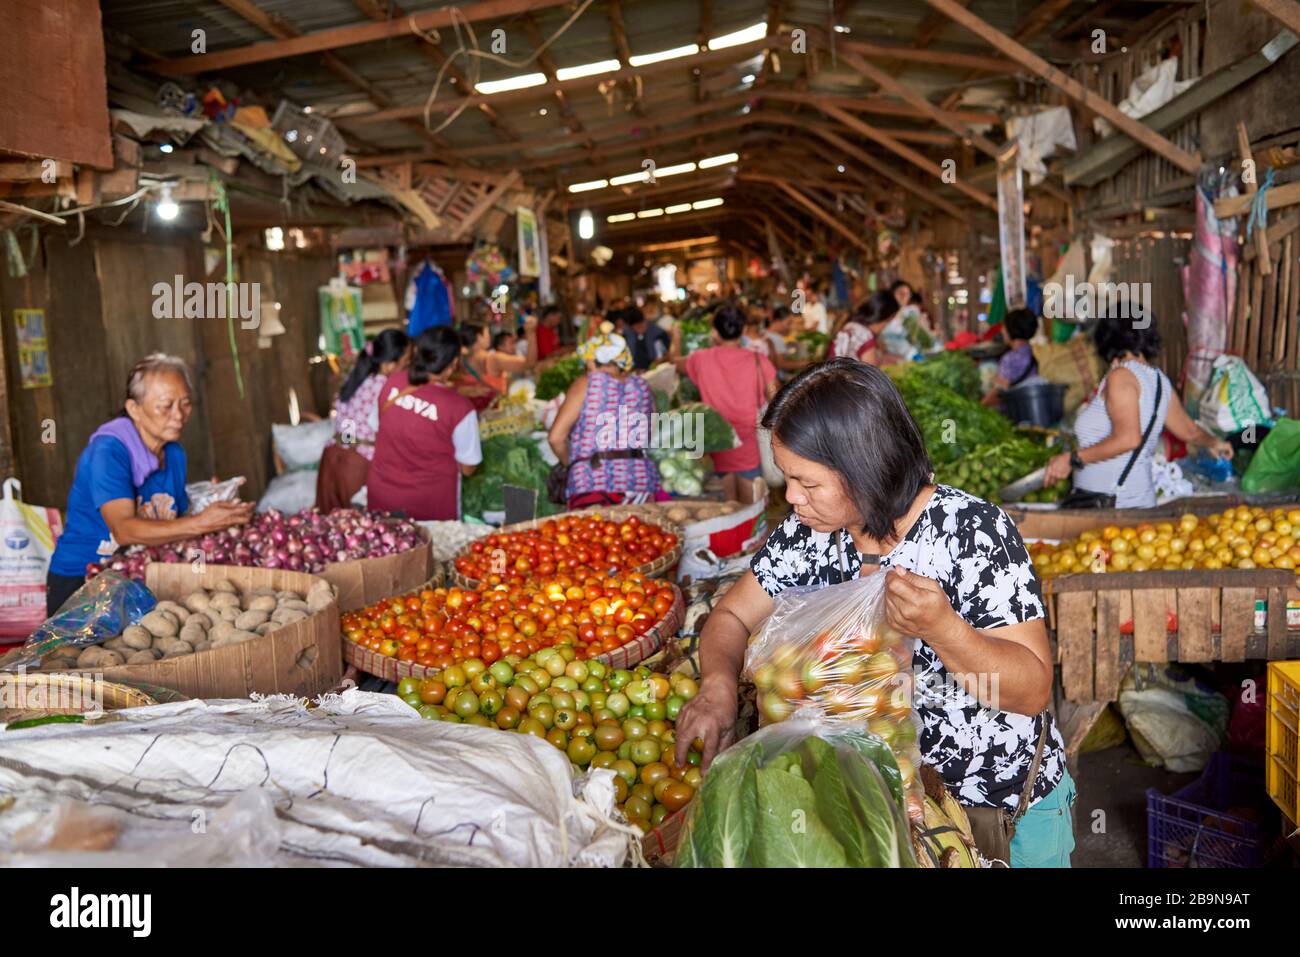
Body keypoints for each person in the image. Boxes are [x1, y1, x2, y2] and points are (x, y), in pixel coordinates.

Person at [675, 358, 1075, 867]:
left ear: (861, 466)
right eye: (787, 479)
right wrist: (717, 689)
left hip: (994, 813)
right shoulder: (806, 537)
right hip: (863, 816)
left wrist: (943, 628)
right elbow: (730, 618)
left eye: (806, 482)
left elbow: (1032, 690)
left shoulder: (972, 533)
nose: (791, 496)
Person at [47, 355, 254, 615]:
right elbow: (124, 530)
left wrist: (208, 501)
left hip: (138, 575)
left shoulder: (174, 453)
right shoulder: (108, 452)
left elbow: (171, 517)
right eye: (165, 406)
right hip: (83, 580)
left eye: (186, 403)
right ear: (134, 409)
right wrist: (203, 521)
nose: (178, 415)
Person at [1044, 315, 1232, 508]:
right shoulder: (1159, 381)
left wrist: (1073, 459)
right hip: (1135, 501)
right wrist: (1215, 442)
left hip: (1112, 507)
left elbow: (1129, 439)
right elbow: (1189, 431)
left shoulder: (1121, 376)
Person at [367, 326, 482, 520]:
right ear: (453, 363)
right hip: (429, 507)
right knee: (428, 551)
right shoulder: (460, 408)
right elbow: (468, 467)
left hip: (383, 498)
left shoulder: (392, 382)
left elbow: (376, 430)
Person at [671, 303, 779, 504]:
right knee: (752, 515)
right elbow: (777, 400)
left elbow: (674, 362)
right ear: (744, 330)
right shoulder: (759, 360)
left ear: (714, 332)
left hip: (716, 448)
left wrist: (676, 337)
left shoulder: (700, 359)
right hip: (749, 447)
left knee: (726, 515)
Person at [547, 322, 660, 509]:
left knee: (599, 537)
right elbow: (649, 431)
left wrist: (573, 464)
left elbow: (555, 438)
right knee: (638, 536)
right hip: (640, 485)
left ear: (593, 359)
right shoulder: (642, 386)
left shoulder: (586, 384)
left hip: (594, 484)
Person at [316, 329, 410, 511]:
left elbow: (347, 424)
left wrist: (349, 445)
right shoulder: (386, 388)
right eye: (405, 362)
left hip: (333, 455)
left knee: (331, 527)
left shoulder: (359, 377)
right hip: (356, 465)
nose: (407, 368)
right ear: (390, 365)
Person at [459, 315, 538, 395]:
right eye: (487, 333)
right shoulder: (493, 359)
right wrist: (530, 332)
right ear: (479, 337)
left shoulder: (460, 359)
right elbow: (529, 364)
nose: (489, 336)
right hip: (495, 405)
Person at [981, 308, 1040, 407]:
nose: (1001, 330)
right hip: (1028, 406)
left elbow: (998, 393)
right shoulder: (1033, 351)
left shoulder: (1010, 359)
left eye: (1004, 326)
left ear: (1012, 329)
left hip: (1012, 413)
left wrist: (980, 407)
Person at [831, 290, 899, 365]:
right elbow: (871, 374)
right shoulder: (866, 336)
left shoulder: (850, 325)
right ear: (884, 318)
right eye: (889, 320)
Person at [620, 304, 670, 371]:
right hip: (635, 372)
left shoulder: (658, 332)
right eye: (635, 327)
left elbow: (669, 353)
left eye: (641, 325)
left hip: (656, 370)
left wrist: (662, 360)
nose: (639, 329)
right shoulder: (626, 334)